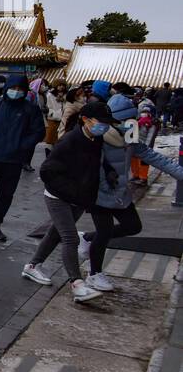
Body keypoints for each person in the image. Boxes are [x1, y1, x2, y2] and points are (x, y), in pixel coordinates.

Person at [73, 93, 183, 289]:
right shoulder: (95, 137)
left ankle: (87, 237)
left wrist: (179, 173)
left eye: (129, 119)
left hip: (120, 193)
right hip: (97, 193)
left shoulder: (130, 140)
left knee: (133, 226)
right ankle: (94, 274)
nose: (126, 123)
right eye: (122, 119)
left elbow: (155, 158)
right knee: (104, 232)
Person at [21, 102, 118, 305]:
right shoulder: (70, 141)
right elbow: (47, 170)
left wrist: (109, 172)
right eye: (101, 122)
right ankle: (77, 284)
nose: (105, 127)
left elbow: (100, 161)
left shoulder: (96, 138)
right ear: (85, 120)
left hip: (80, 198)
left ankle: (32, 266)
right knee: (70, 238)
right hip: (58, 197)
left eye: (107, 123)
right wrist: (70, 192)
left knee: (55, 233)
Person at [0, 72, 46, 243]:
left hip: (13, 159)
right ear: (6, 88)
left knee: (5, 194)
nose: (16, 91)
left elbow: (38, 132)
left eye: (20, 89)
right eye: (13, 88)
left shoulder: (30, 109)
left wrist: (22, 146)